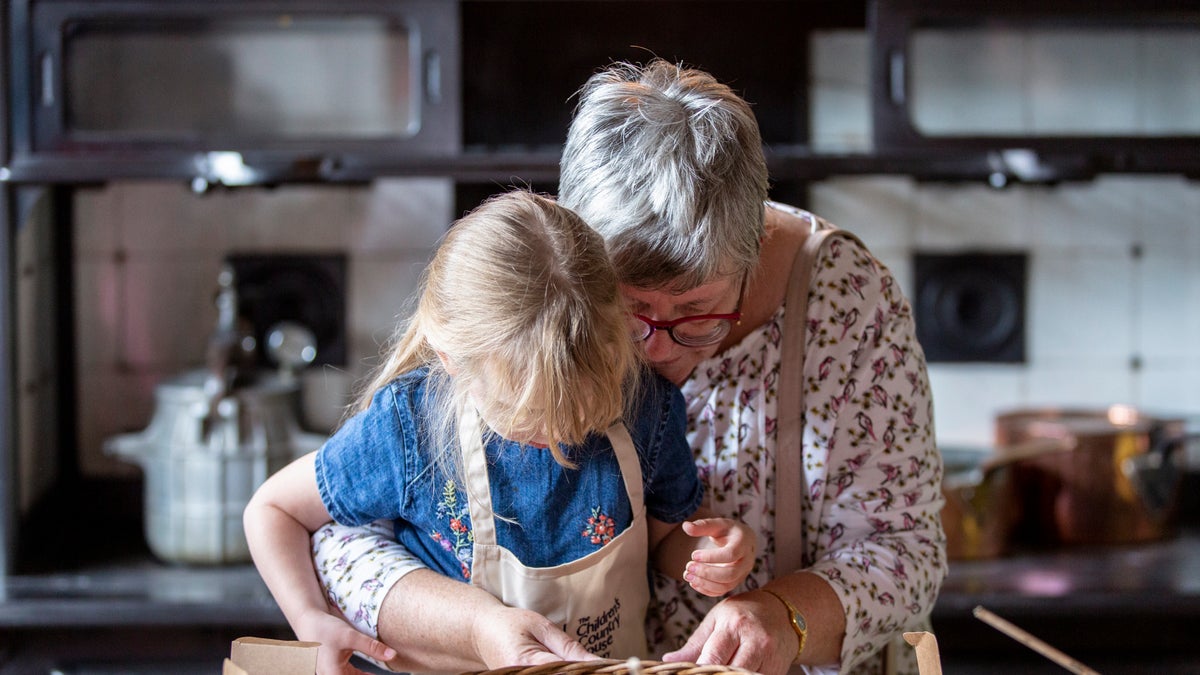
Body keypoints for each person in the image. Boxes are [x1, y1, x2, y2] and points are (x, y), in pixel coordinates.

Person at [313, 59, 947, 675]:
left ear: (753, 249)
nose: (659, 349)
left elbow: (907, 553)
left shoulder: (845, 306)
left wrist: (786, 615)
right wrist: (472, 626)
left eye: (698, 312)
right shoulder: (523, 301)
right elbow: (341, 533)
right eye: (629, 311)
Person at [243, 190, 756, 675]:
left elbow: (665, 535)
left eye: (580, 412)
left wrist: (709, 554)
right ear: (452, 362)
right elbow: (273, 511)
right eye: (526, 414)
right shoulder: (411, 428)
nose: (556, 432)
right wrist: (310, 620)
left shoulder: (648, 407)